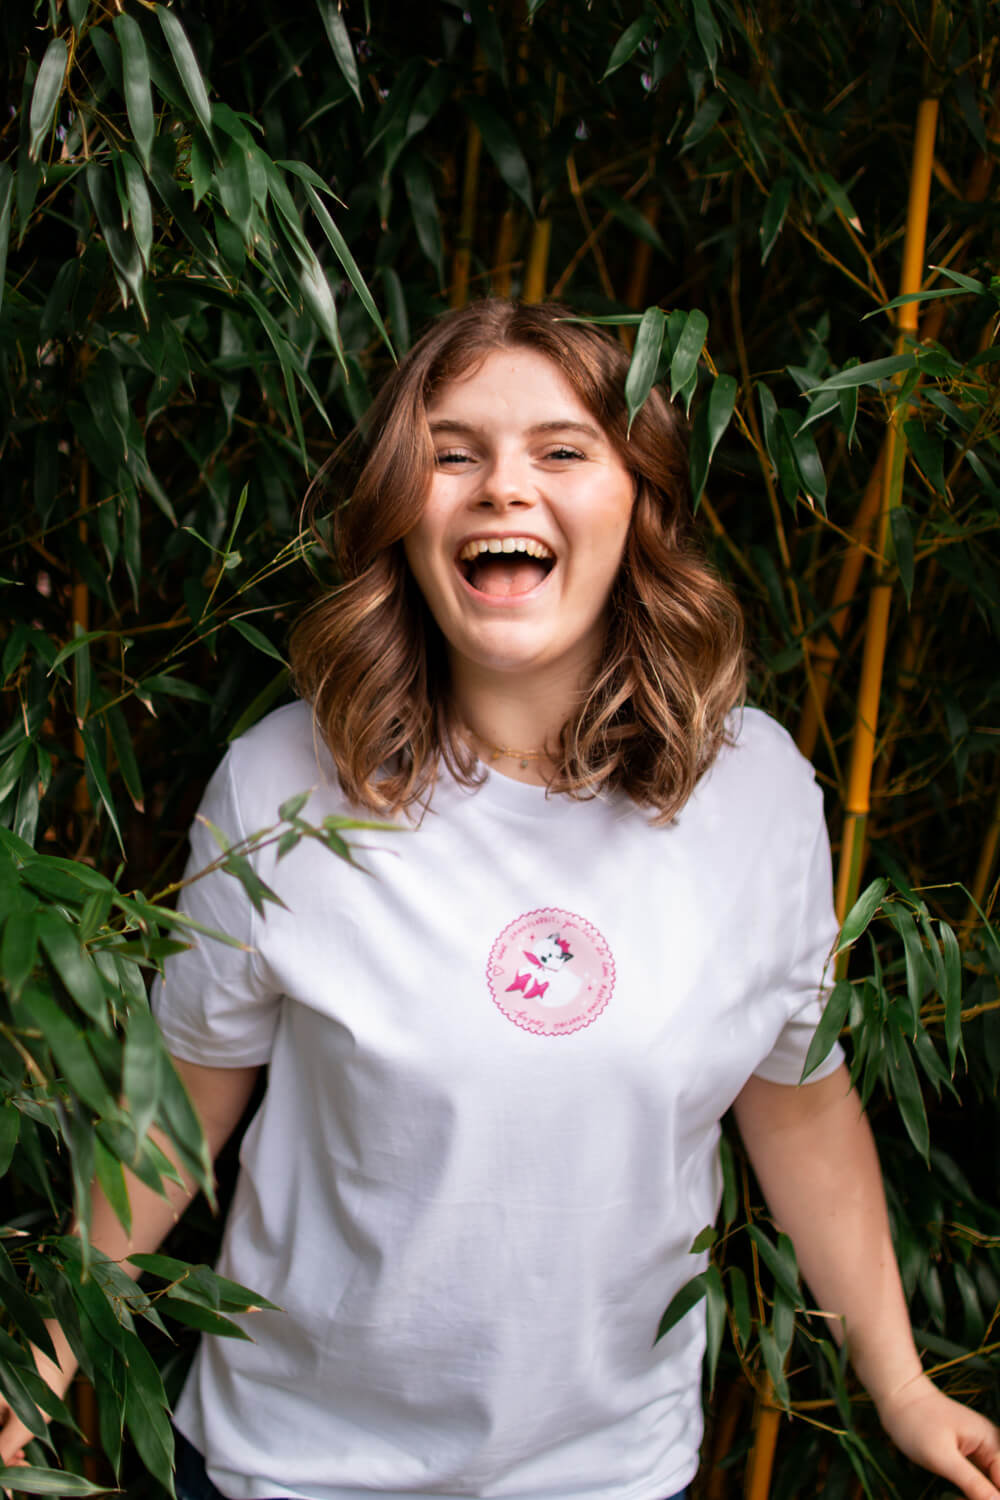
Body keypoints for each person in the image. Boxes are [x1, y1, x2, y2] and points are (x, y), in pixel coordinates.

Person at [2, 299, 998, 1500]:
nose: (503, 488)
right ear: (399, 509)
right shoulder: (281, 781)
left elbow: (795, 1103)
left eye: (562, 451)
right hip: (292, 1465)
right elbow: (182, 1100)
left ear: (639, 502)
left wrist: (900, 1385)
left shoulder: (758, 795)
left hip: (609, 1474)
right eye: (452, 454)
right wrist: (44, 1358)